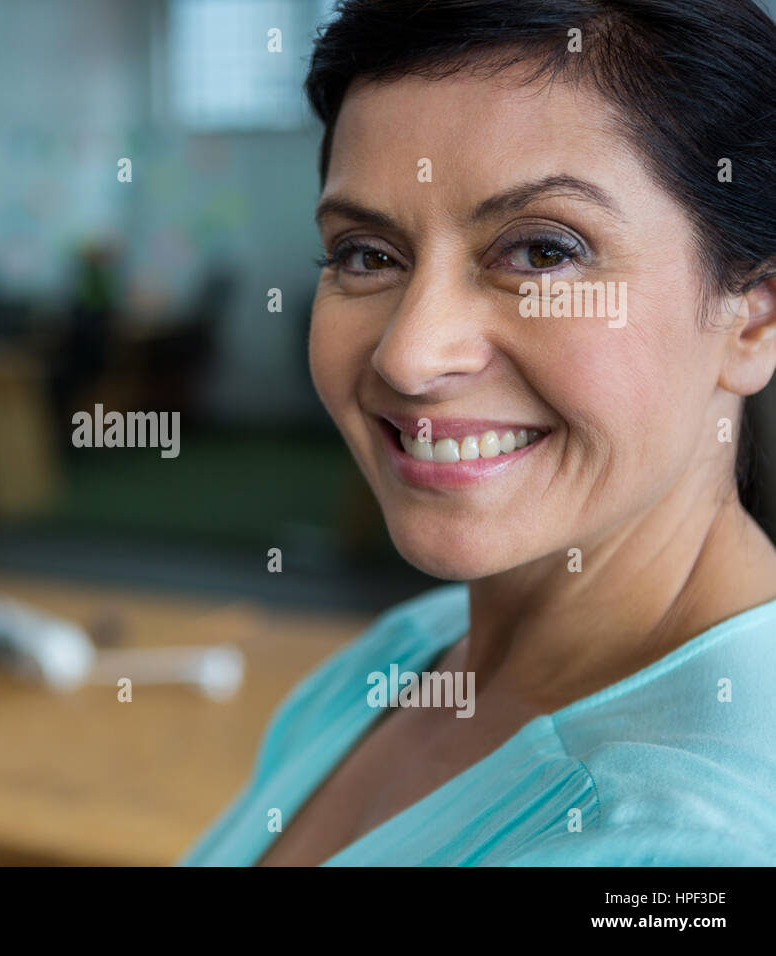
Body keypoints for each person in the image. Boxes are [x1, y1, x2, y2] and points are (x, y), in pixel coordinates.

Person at [181, 0, 776, 866]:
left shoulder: (689, 850)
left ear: (752, 323)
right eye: (366, 255)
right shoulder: (405, 654)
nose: (411, 356)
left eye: (543, 252)